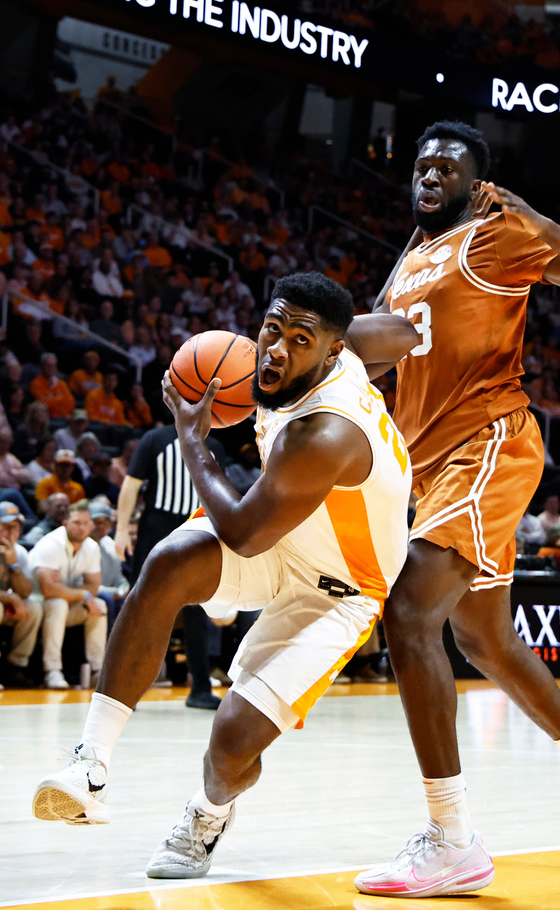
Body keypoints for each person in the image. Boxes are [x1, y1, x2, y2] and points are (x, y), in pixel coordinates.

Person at [354, 120, 560, 898]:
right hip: (428, 466)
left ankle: (450, 836)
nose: (428, 173)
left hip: (487, 443)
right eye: (420, 163)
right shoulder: (411, 257)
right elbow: (378, 345)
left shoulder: (496, 238)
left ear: (476, 185)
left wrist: (536, 219)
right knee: (481, 635)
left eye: (447, 166)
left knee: (411, 614)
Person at [31, 272, 417, 884]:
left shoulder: (325, 432)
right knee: (167, 562)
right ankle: (90, 765)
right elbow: (398, 329)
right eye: (272, 329)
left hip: (342, 586)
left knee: (233, 741)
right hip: (288, 535)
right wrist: (412, 314)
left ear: (332, 351)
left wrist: (194, 439)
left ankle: (208, 813)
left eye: (300, 339)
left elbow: (241, 531)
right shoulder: (336, 347)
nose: (279, 349)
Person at [113, 421, 230, 710]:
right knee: (139, 607)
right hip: (156, 528)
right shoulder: (156, 439)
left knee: (196, 611)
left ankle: (200, 687)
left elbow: (219, 493)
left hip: (195, 528)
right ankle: (121, 690)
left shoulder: (214, 447)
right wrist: (121, 528)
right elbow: (131, 482)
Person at [29, 500, 107, 690]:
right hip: (37, 604)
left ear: (91, 525)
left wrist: (69, 590)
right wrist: (81, 592)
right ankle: (52, 670)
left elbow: (93, 587)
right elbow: (48, 590)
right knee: (58, 603)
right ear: (65, 523)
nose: (81, 528)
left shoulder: (92, 547)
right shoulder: (51, 544)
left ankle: (98, 671)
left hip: (65, 603)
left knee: (99, 606)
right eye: (76, 523)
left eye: (85, 523)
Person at [0, 501, 43, 688]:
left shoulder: (20, 552)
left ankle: (16, 666)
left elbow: (25, 591)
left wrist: (13, 566)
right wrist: (10, 597)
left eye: (15, 528)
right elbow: (15, 596)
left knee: (34, 606)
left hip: (8, 607)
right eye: (5, 527)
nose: (10, 533)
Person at [88, 501, 129, 633]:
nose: (101, 526)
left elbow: (118, 577)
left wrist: (124, 588)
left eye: (105, 522)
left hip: (112, 593)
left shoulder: (110, 544)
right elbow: (84, 584)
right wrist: (116, 592)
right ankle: (109, 648)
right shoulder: (82, 545)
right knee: (108, 600)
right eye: (96, 521)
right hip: (87, 594)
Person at [34, 449, 86, 513]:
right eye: (61, 465)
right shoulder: (44, 483)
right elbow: (43, 509)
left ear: (73, 467)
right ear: (55, 466)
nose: (64, 468)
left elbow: (81, 510)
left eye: (68, 465)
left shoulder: (78, 488)